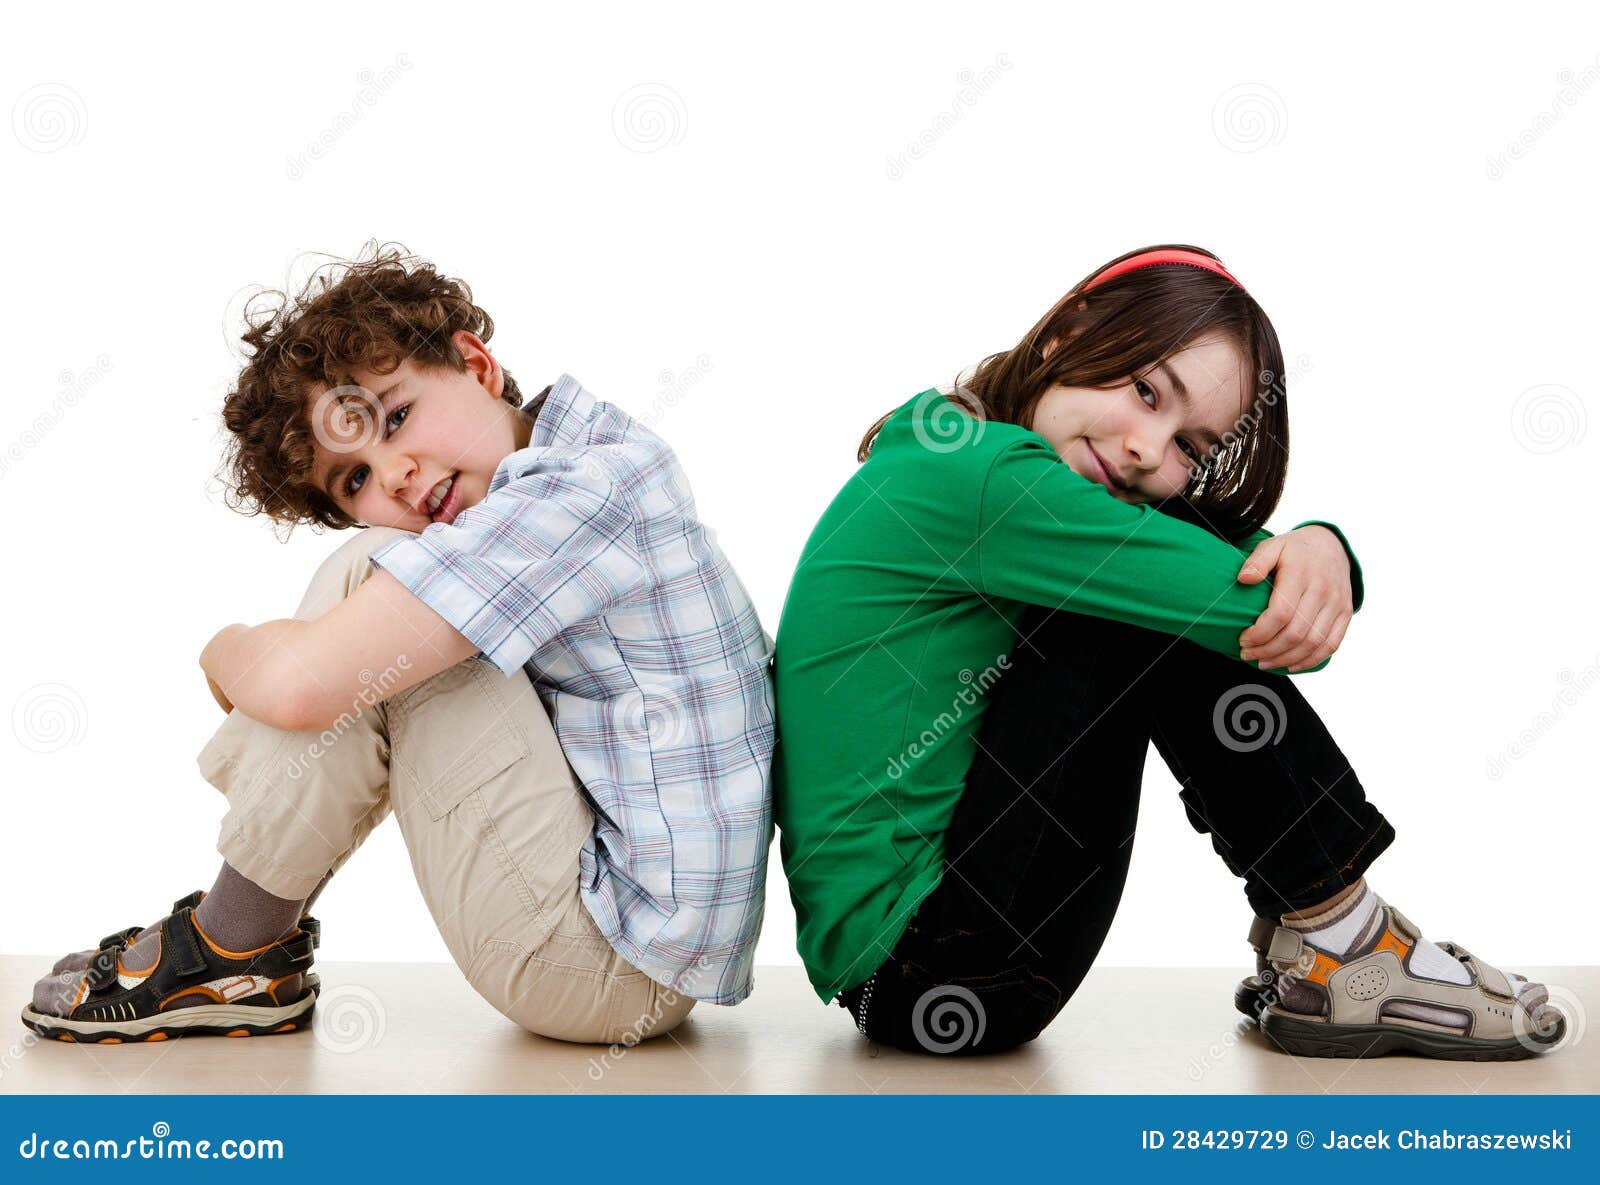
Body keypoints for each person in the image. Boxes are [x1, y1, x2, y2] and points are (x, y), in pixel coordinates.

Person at [772, 244, 1568, 1059]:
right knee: (1125, 607)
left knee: (1126, 577)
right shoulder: (985, 484)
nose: (1148, 450)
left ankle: (1332, 942)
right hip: (943, 969)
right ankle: (1345, 938)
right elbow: (1271, 616)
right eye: (1146, 390)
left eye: (1192, 445)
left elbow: (1204, 574)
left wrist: (1317, 545)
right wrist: (1323, 555)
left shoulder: (957, 453)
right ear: (1067, 333)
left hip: (920, 971)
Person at [23, 242, 774, 1045]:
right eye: (355, 480)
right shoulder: (594, 465)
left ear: (476, 364)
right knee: (391, 593)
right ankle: (238, 943)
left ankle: (230, 943)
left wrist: (225, 649)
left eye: (395, 416)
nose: (399, 474)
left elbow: (300, 689)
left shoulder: (577, 494)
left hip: (603, 968)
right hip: (649, 956)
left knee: (370, 576)